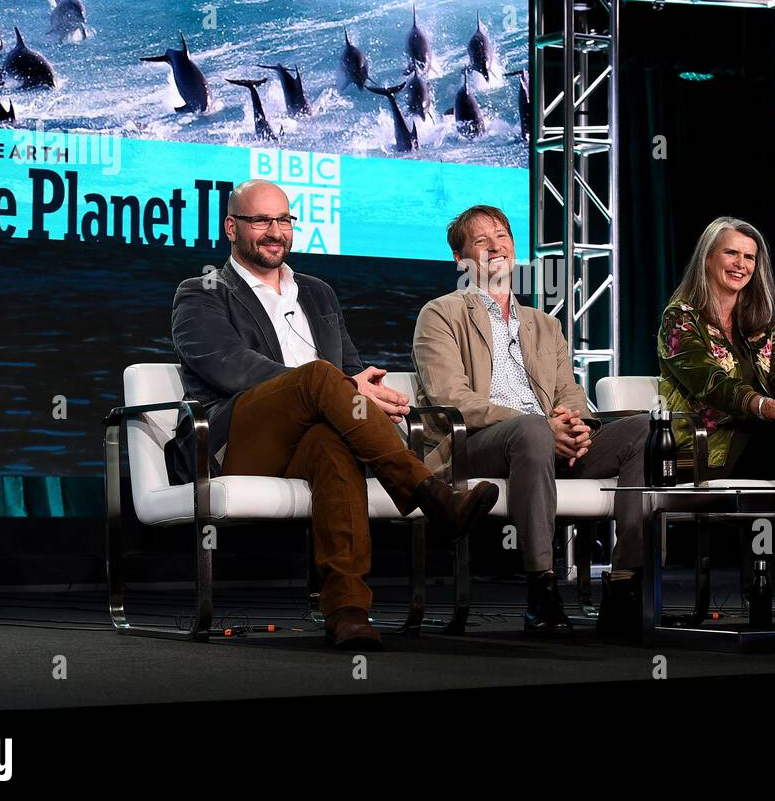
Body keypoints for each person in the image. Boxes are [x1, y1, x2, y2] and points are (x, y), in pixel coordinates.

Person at [168, 179, 499, 650]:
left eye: (284, 220)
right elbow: (227, 366)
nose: (275, 231)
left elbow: (348, 370)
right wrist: (340, 385)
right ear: (231, 227)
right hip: (230, 440)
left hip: (306, 437)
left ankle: (346, 611)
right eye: (261, 220)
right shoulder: (200, 292)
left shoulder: (319, 293)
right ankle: (430, 493)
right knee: (319, 377)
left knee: (331, 446)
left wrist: (370, 393)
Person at [412, 205, 649, 639]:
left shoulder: (544, 324)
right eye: (482, 241)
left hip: (545, 441)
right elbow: (452, 399)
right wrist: (541, 422)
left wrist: (577, 424)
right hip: (477, 444)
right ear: (460, 259)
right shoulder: (441, 313)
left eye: (502, 236)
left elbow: (570, 392)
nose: (496, 246)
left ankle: (624, 585)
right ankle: (542, 589)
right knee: (533, 429)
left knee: (642, 429)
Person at [657, 217, 775, 485]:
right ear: (707, 259)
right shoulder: (680, 318)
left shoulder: (760, 322)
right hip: (708, 442)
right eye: (731, 253)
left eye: (749, 257)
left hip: (762, 434)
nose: (741, 264)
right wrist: (769, 407)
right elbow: (713, 385)